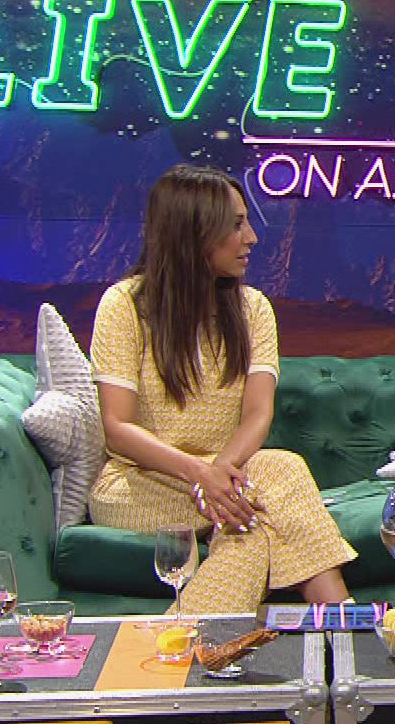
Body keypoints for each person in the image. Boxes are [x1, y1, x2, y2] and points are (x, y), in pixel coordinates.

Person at [88, 164, 355, 614]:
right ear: (192, 233)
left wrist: (220, 474)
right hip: (140, 484)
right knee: (275, 482)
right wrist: (199, 473)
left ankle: (188, 639)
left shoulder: (253, 309)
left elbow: (258, 414)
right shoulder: (124, 306)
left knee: (255, 517)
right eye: (236, 225)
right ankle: (347, 625)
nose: (252, 237)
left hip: (228, 477)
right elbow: (117, 428)